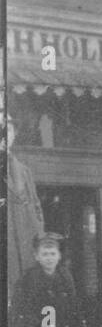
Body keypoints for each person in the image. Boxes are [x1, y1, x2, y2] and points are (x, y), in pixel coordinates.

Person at [13, 233, 85, 327]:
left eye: (52, 254)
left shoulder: (65, 277)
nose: (49, 258)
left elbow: (74, 308)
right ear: (37, 256)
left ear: (59, 256)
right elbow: (19, 311)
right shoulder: (28, 279)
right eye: (45, 254)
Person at [6, 117, 46, 295]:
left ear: (13, 134)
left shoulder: (23, 171)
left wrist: (39, 239)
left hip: (25, 252)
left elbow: (37, 210)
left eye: (8, 130)